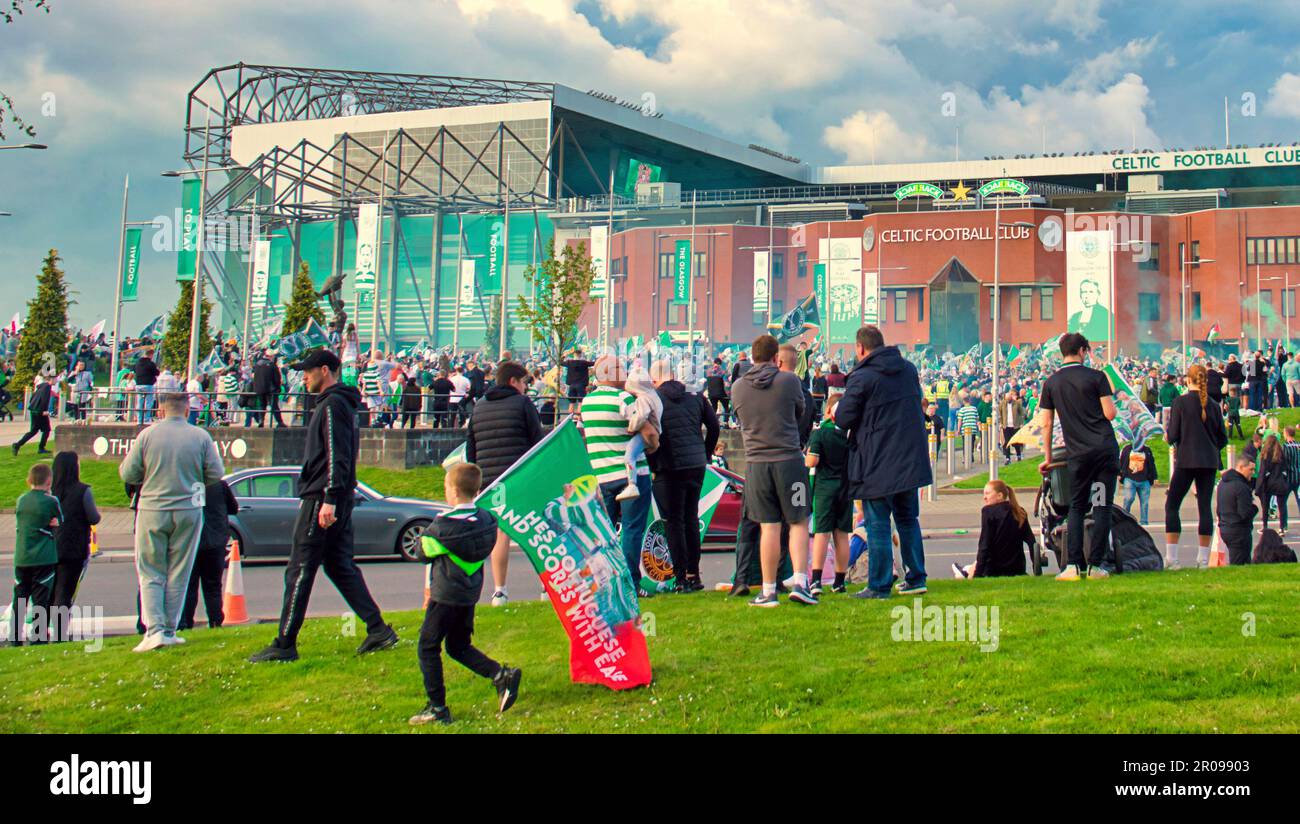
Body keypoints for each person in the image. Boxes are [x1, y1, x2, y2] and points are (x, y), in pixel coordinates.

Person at [250, 350, 398, 662]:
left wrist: (329, 497)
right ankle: (378, 629)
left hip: (322, 498)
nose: (303, 377)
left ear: (325, 370)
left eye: (307, 371)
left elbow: (337, 453)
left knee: (300, 568)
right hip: (335, 496)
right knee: (339, 566)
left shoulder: (331, 405)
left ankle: (285, 643)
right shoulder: (338, 403)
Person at [409, 462, 522, 726]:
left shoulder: (441, 528)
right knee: (458, 646)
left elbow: (421, 551)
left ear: (453, 492)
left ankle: (437, 707)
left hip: (445, 595)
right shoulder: (486, 521)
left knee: (428, 646)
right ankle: (500, 675)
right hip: (469, 594)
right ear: (477, 490)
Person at [119, 377, 225, 650]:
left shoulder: (147, 435)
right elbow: (216, 473)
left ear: (161, 410)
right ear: (188, 411)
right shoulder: (201, 436)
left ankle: (153, 629)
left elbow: (128, 472)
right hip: (188, 509)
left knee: (151, 569)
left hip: (153, 507)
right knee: (180, 570)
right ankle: (169, 628)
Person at [836, 325, 930, 599]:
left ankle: (879, 584)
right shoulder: (908, 370)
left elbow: (844, 419)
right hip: (909, 458)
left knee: (877, 523)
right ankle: (916, 577)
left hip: (876, 460)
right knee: (907, 519)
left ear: (861, 348)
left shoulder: (862, 377)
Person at [731, 335, 815, 607]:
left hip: (756, 464)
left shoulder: (738, 387)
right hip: (790, 461)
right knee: (799, 521)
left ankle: (768, 591)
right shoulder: (789, 381)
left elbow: (739, 418)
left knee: (768, 526)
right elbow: (800, 411)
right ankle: (800, 583)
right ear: (775, 358)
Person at [1038, 333, 1119, 581]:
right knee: (1101, 505)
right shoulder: (1097, 377)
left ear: (1063, 352)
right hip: (1103, 453)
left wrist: (1049, 458)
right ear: (1083, 351)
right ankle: (1097, 565)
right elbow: (1110, 413)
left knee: (1076, 507)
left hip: (1078, 456)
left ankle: (1073, 565)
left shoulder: (1051, 383)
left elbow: (1047, 424)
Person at [578, 356, 658, 599]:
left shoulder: (587, 402)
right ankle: (631, 583)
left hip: (602, 475)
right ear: (608, 373)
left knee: (604, 533)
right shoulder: (623, 398)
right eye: (620, 368)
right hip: (631, 474)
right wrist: (652, 445)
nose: (624, 373)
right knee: (632, 530)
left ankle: (604, 584)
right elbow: (650, 432)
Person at [466, 360, 544, 607]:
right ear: (513, 382)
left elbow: (471, 449)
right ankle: (545, 587)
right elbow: (537, 441)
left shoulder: (479, 407)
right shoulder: (522, 404)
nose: (525, 388)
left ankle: (500, 591)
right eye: (523, 383)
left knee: (500, 534)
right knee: (535, 530)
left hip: (490, 482)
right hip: (519, 476)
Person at [648, 359, 719, 593]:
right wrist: (705, 452)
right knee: (690, 518)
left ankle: (679, 577)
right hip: (695, 464)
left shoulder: (654, 399)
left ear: (656, 379)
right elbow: (714, 426)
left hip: (667, 466)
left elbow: (649, 435)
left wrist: (653, 461)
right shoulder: (696, 396)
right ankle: (693, 574)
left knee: (673, 522)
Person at [1162, 364, 1227, 569]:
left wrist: (1168, 437)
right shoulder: (1214, 405)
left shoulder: (1180, 403)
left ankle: (1172, 558)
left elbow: (1173, 435)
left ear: (1187, 381)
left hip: (1186, 460)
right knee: (1205, 507)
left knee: (1172, 505)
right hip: (1208, 461)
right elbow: (1222, 439)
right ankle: (1203, 559)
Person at [50, 451, 100, 643]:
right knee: (65, 591)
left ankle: (42, 633)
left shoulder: (51, 491)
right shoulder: (82, 490)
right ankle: (61, 634)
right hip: (74, 548)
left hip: (50, 547)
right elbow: (94, 517)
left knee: (49, 592)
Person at [10, 463, 62, 645]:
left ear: (29, 480)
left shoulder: (21, 501)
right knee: (41, 598)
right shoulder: (51, 501)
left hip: (22, 557)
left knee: (20, 598)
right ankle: (38, 637)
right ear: (49, 481)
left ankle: (15, 637)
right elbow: (59, 520)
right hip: (43, 557)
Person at [807, 395, 852, 595]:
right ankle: (839, 581)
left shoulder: (820, 434)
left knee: (822, 533)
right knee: (842, 534)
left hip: (825, 487)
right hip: (845, 488)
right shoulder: (851, 436)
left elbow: (812, 462)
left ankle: (816, 580)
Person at [180, 480, 238, 630]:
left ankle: (186, 623)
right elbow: (233, 508)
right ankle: (215, 621)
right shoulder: (219, 485)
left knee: (189, 586)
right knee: (213, 586)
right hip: (215, 541)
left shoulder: (186, 483)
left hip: (192, 541)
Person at [952, 480, 1031, 579]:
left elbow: (984, 545)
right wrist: (1037, 569)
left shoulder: (988, 512)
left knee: (976, 564)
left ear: (999, 495)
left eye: (987, 493)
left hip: (994, 570)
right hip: (1017, 569)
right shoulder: (1020, 512)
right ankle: (966, 570)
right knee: (973, 565)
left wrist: (977, 575)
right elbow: (1031, 542)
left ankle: (966, 572)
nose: (984, 497)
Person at [617, 364, 663, 502]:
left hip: (646, 433)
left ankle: (632, 484)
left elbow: (641, 416)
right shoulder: (654, 395)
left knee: (629, 456)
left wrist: (631, 427)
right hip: (657, 430)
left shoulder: (643, 398)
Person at [1217, 454, 1258, 565]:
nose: (1253, 472)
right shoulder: (1241, 486)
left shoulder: (1222, 483)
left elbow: (1218, 509)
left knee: (1239, 562)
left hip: (1225, 528)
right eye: (1251, 469)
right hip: (1239, 532)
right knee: (1239, 565)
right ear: (1240, 467)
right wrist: (1255, 508)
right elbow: (1245, 514)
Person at [1256, 434, 1290, 534]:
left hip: (1268, 483)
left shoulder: (1265, 454)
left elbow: (1263, 471)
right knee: (1282, 506)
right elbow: (1285, 469)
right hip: (1280, 482)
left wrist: (1259, 485)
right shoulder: (1281, 454)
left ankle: (1265, 526)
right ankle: (1282, 528)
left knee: (1265, 506)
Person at [12, 373, 52, 455]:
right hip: (40, 411)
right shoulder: (47, 386)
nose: (57, 380)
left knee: (33, 431)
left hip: (34, 410)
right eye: (55, 379)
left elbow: (33, 398)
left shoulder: (40, 386)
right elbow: (44, 399)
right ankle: (41, 448)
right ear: (51, 379)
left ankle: (17, 445)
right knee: (46, 430)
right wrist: (44, 410)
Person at [1119, 441, 1157, 525]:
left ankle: (1144, 521)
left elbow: (1151, 463)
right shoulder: (1127, 449)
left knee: (1145, 503)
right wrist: (1120, 474)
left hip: (1144, 480)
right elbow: (1121, 461)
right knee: (1128, 499)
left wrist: (1154, 477)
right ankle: (1124, 519)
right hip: (1129, 479)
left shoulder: (1147, 450)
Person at [1067, 278, 1111, 343]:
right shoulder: (1075, 317)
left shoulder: (1105, 315)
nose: (1087, 296)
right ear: (1080, 295)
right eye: (1084, 292)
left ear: (1098, 294)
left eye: (1091, 292)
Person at [133, 349, 160, 424]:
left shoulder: (138, 363)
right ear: (151, 355)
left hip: (138, 385)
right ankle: (146, 419)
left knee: (139, 403)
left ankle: (139, 420)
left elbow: (135, 371)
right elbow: (157, 373)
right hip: (148, 385)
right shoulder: (151, 364)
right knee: (148, 402)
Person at [1000, 388, 1026, 464]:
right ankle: (1008, 458)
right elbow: (1000, 414)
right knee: (1007, 442)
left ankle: (1018, 455)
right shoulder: (1002, 404)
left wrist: (1021, 423)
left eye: (1009, 399)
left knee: (1015, 442)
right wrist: (1001, 423)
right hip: (1006, 425)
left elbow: (1021, 413)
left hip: (1015, 425)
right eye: (1007, 399)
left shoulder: (1016, 403)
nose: (1008, 400)